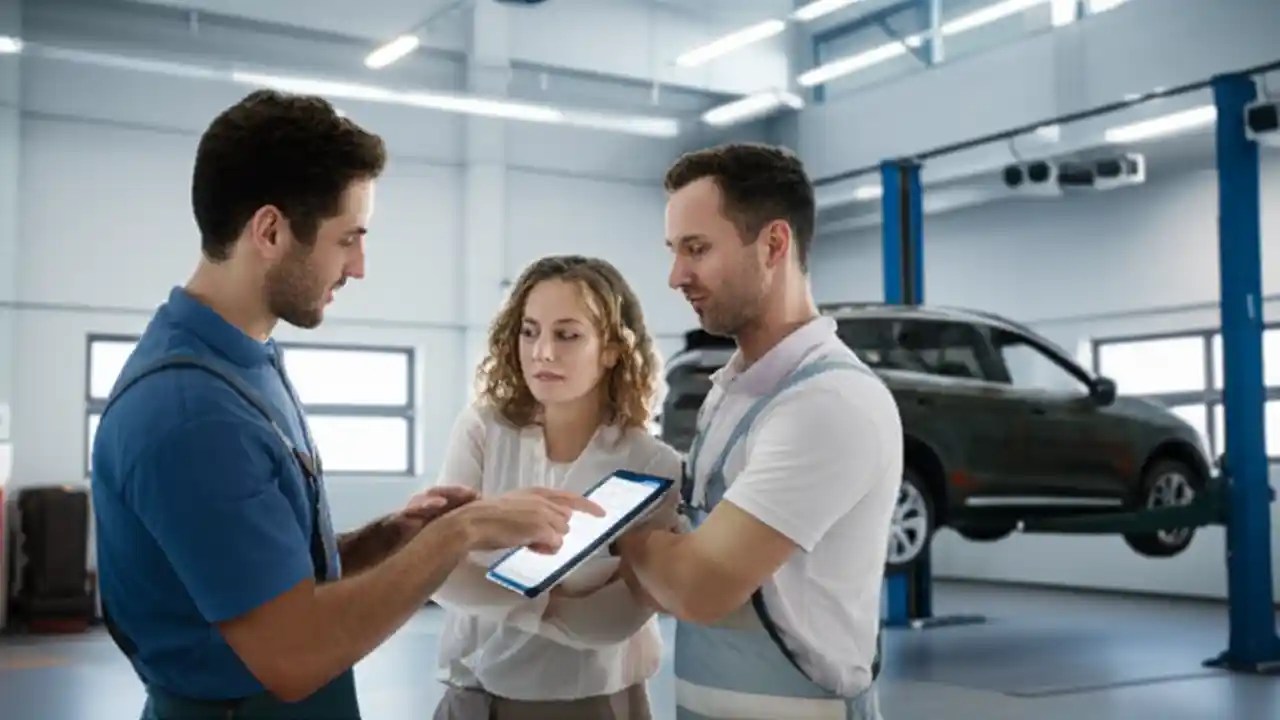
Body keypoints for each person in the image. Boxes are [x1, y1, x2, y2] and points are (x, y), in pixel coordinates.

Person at [89, 90, 600, 720]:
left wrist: (386, 540)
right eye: (348, 238)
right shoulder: (192, 413)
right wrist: (462, 532)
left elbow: (258, 572)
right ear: (270, 231)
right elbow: (294, 655)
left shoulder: (242, 360)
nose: (359, 266)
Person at [616, 143, 903, 719]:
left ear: (773, 245)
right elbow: (668, 584)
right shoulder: (732, 393)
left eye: (697, 249)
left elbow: (697, 587)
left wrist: (619, 530)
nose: (676, 276)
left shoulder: (828, 404)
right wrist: (666, 556)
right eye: (674, 251)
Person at [429, 255, 683, 720]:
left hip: (593, 705)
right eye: (529, 331)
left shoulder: (651, 464)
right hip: (471, 699)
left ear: (612, 349)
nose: (542, 352)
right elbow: (436, 569)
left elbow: (616, 619)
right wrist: (555, 605)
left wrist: (494, 592)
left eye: (567, 335)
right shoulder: (483, 429)